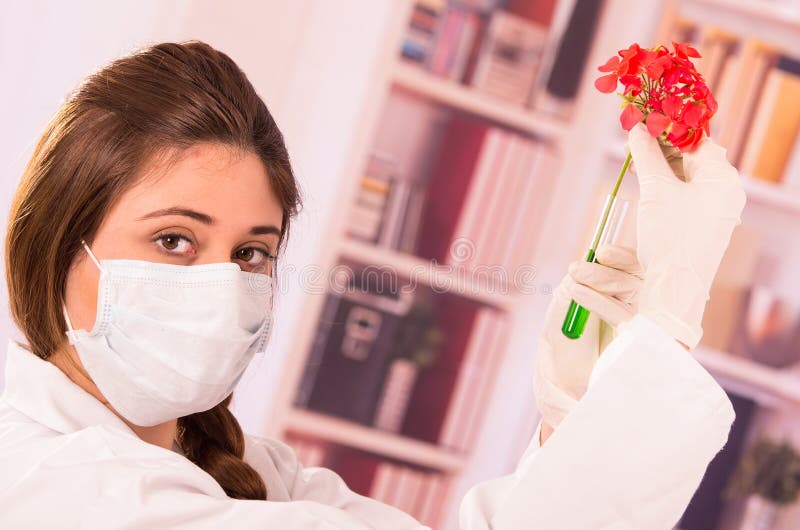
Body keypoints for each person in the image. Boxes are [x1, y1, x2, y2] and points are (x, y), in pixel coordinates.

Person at [0, 40, 745, 529]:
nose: (220, 285)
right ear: (60, 245)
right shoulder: (54, 482)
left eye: (252, 253)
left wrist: (565, 424)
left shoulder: (247, 471)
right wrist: (671, 315)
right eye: (173, 240)